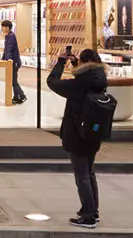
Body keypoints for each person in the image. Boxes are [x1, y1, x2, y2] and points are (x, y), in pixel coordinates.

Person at [48, 48, 109, 229]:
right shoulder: (99, 79)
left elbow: (52, 82)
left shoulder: (78, 85)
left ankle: (88, 216)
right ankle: (92, 211)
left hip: (77, 134)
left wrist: (60, 62)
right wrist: (76, 65)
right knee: (89, 173)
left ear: (83, 62)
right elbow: (85, 76)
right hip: (93, 133)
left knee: (81, 176)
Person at [1, 19, 27, 104]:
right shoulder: (7, 36)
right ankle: (16, 97)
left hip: (14, 62)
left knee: (13, 81)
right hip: (11, 61)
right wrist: (2, 59)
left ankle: (22, 96)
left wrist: (8, 59)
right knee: (12, 80)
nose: (2, 28)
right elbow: (6, 50)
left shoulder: (11, 36)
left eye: (3, 27)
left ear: (8, 27)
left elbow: (10, 49)